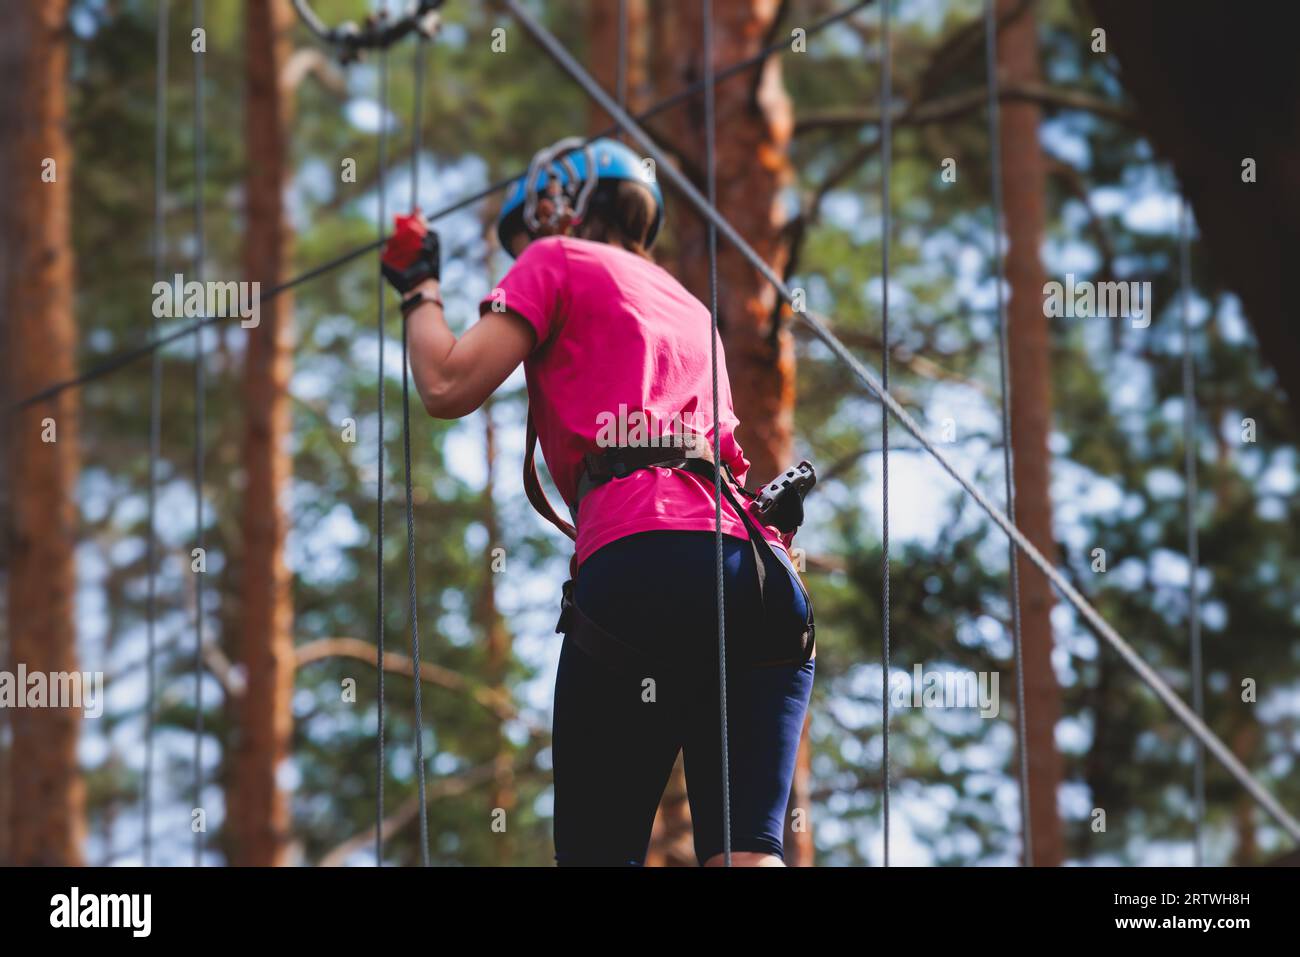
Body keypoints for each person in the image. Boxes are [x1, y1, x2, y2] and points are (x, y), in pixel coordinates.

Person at [381, 137, 815, 867]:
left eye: (530, 227)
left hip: (643, 565)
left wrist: (419, 286)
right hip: (759, 577)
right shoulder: (690, 308)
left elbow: (448, 384)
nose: (526, 246)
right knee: (749, 855)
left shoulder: (556, 260)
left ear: (562, 205)